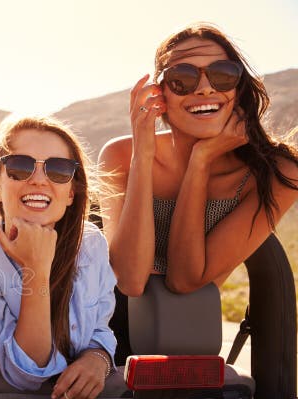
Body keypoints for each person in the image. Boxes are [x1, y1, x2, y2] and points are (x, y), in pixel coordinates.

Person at [100, 23, 298, 299]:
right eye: (183, 77)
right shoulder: (120, 154)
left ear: (238, 90)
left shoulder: (278, 173)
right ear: (160, 93)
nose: (205, 89)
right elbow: (130, 282)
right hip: (102, 327)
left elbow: (184, 280)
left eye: (223, 74)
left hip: (187, 333)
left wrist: (201, 160)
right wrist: (142, 157)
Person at [0, 116, 116, 399]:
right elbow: (27, 373)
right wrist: (35, 268)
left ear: (71, 193)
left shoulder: (91, 243)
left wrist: (98, 358)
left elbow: (100, 329)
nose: (38, 180)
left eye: (59, 169)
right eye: (20, 167)